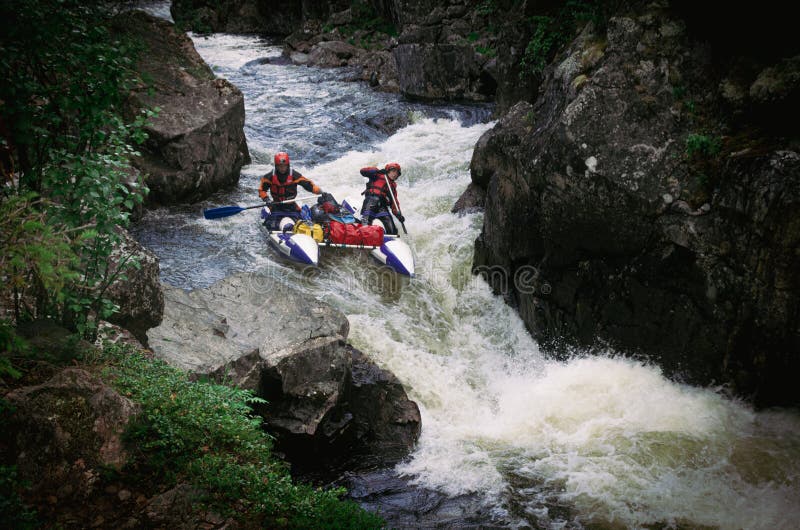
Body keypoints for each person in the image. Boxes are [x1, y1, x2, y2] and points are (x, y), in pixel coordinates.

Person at [259, 152, 322, 229]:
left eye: (284, 166)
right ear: (276, 166)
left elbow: (308, 185)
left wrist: (320, 192)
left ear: (288, 165)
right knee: (271, 225)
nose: (282, 168)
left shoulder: (294, 175)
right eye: (280, 166)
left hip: (291, 206)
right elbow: (262, 190)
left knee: (302, 224)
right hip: (276, 206)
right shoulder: (269, 177)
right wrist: (266, 199)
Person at [359, 162, 404, 235]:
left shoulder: (392, 186)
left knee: (393, 231)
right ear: (387, 171)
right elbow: (363, 171)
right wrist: (376, 171)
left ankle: (390, 240)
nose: (395, 174)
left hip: (382, 207)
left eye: (397, 172)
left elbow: (394, 203)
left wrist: (399, 216)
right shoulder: (377, 175)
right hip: (371, 202)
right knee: (365, 224)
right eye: (393, 171)